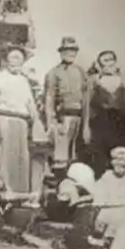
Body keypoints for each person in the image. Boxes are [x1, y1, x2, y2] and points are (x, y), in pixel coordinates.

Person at [0, 45, 42, 196]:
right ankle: (5, 193)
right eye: (12, 58)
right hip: (3, 121)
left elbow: (30, 105)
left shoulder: (24, 81)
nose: (15, 61)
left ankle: (21, 195)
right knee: (5, 159)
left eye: (19, 58)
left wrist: (37, 124)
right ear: (6, 60)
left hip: (21, 124)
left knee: (21, 160)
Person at [82, 50, 125, 179]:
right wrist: (86, 127)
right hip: (100, 123)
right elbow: (87, 105)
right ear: (100, 64)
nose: (108, 63)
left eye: (111, 60)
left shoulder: (124, 81)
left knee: (119, 155)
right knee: (100, 156)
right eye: (105, 61)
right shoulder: (94, 81)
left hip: (120, 124)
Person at [44, 36, 86, 173]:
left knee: (75, 155)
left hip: (79, 117)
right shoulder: (54, 72)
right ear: (61, 52)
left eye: (73, 51)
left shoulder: (81, 71)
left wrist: (86, 124)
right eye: (67, 51)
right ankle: (58, 183)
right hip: (63, 117)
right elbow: (49, 98)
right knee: (60, 155)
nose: (70, 54)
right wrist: (51, 121)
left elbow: (86, 97)